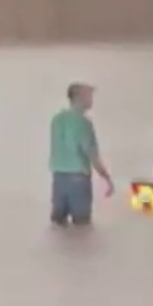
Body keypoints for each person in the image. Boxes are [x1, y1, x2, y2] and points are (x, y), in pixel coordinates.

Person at [48, 83, 113, 226]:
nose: (91, 100)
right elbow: (92, 155)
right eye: (89, 95)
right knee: (82, 228)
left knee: (58, 226)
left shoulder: (56, 120)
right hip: (78, 179)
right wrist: (107, 179)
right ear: (79, 98)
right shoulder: (84, 123)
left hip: (58, 178)